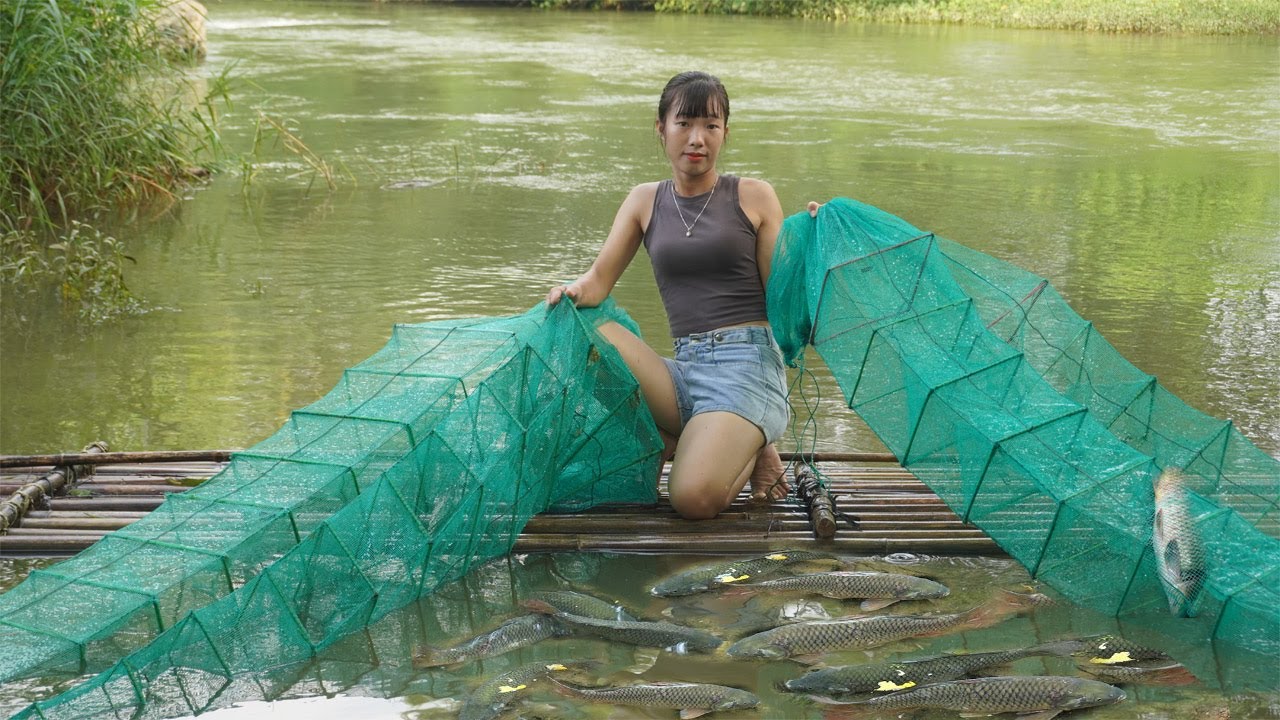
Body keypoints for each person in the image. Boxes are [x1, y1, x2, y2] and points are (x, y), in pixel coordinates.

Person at [547, 71, 817, 520]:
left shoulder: (753, 196)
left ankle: (754, 441)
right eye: (684, 123)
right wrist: (570, 292)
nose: (697, 139)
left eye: (711, 126)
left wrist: (811, 242)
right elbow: (596, 283)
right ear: (661, 128)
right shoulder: (643, 200)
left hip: (746, 369)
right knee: (578, 332)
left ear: (725, 133)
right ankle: (688, 435)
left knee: (690, 499)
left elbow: (784, 299)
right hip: (683, 370)